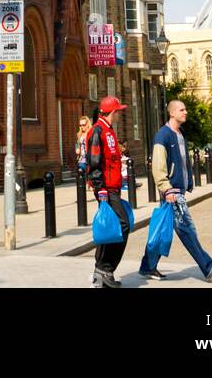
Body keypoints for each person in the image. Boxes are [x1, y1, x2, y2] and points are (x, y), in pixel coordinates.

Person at [139, 101, 212, 283]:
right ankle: (208, 267)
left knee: (164, 228)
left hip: (179, 190)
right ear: (172, 113)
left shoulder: (180, 134)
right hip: (172, 192)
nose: (185, 112)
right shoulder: (162, 136)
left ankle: (147, 267)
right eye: (182, 110)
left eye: (185, 109)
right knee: (187, 230)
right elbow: (158, 166)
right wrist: (166, 188)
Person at [88, 95, 131, 289]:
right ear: (112, 112)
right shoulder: (98, 130)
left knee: (110, 228)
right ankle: (105, 268)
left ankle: (102, 272)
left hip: (113, 187)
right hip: (106, 188)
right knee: (122, 225)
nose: (119, 115)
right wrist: (100, 189)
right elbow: (94, 162)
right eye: (118, 111)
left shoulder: (108, 130)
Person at [76, 115, 93, 189]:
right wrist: (77, 148)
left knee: (90, 173)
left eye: (83, 125)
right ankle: (82, 188)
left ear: (87, 124)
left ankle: (91, 185)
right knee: (81, 171)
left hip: (90, 157)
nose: (81, 127)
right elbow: (77, 144)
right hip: (82, 158)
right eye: (80, 125)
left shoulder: (91, 134)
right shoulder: (79, 134)